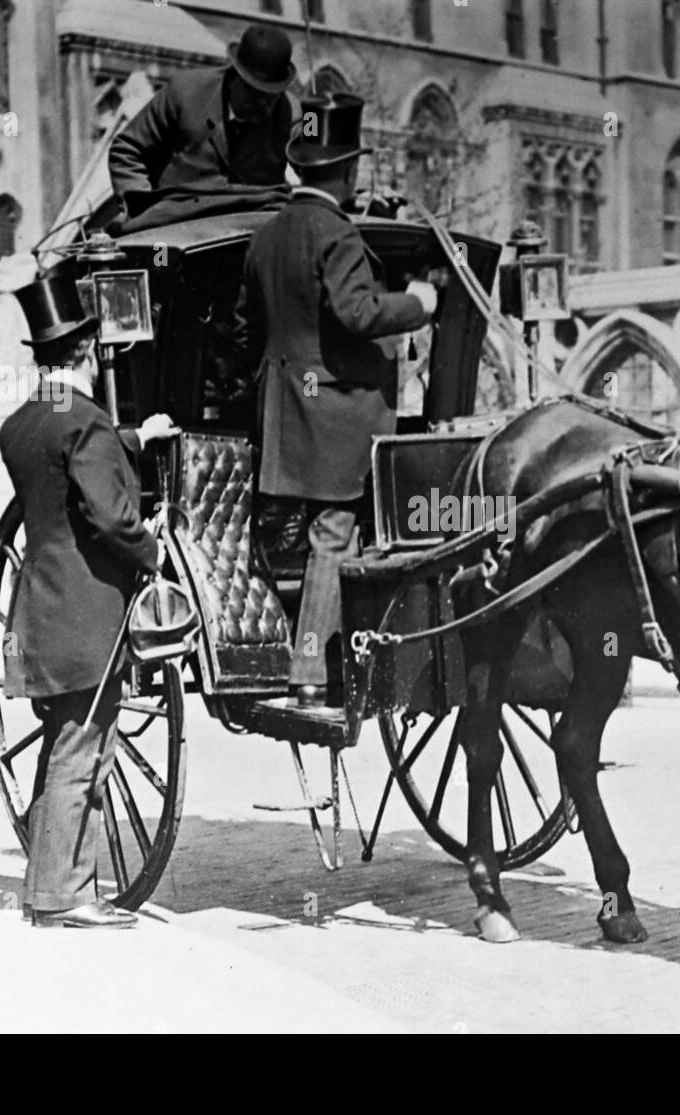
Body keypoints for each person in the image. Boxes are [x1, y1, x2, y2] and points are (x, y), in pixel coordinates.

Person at [234, 93, 438, 708]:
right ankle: (311, 670)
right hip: (338, 419)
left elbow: (245, 331)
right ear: (347, 172)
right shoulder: (338, 235)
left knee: (299, 535)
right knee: (335, 532)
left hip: (285, 412)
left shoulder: (265, 236)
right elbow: (358, 312)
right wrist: (419, 303)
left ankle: (309, 646)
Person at [0, 276, 178, 929]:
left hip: (42, 610)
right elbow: (108, 515)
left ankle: (49, 886)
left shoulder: (21, 425)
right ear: (83, 355)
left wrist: (131, 438)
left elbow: (65, 461)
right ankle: (64, 896)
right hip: (90, 611)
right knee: (85, 750)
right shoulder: (86, 421)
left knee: (62, 746)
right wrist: (151, 552)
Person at [108, 25, 296, 229]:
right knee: (158, 261)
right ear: (234, 76)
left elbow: (313, 147)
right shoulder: (184, 92)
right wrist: (144, 210)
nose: (263, 103)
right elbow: (126, 149)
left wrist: (317, 118)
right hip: (180, 224)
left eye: (272, 94)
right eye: (253, 91)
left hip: (255, 225)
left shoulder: (294, 111)